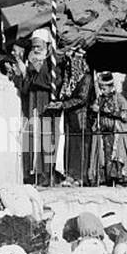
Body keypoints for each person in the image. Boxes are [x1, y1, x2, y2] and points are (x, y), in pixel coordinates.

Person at [15, 28, 60, 184]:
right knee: (31, 138)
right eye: (33, 47)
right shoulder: (32, 62)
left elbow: (52, 83)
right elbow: (25, 88)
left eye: (38, 47)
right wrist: (24, 73)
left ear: (47, 47)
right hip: (32, 105)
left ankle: (47, 174)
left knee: (46, 139)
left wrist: (34, 68)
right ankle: (32, 172)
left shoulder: (52, 63)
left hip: (45, 103)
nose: (35, 50)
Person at [50, 44, 92, 186]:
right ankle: (70, 175)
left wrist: (63, 105)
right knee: (70, 147)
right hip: (70, 118)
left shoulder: (86, 78)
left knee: (80, 148)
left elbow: (82, 98)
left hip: (82, 119)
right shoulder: (69, 80)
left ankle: (80, 177)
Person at [88, 71, 127, 184]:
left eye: (104, 88)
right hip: (103, 132)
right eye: (101, 88)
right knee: (103, 157)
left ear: (111, 86)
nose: (102, 90)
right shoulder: (99, 99)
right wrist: (93, 111)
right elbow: (92, 115)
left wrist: (106, 111)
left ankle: (119, 178)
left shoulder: (119, 99)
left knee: (115, 157)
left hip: (116, 132)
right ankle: (103, 178)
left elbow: (126, 115)